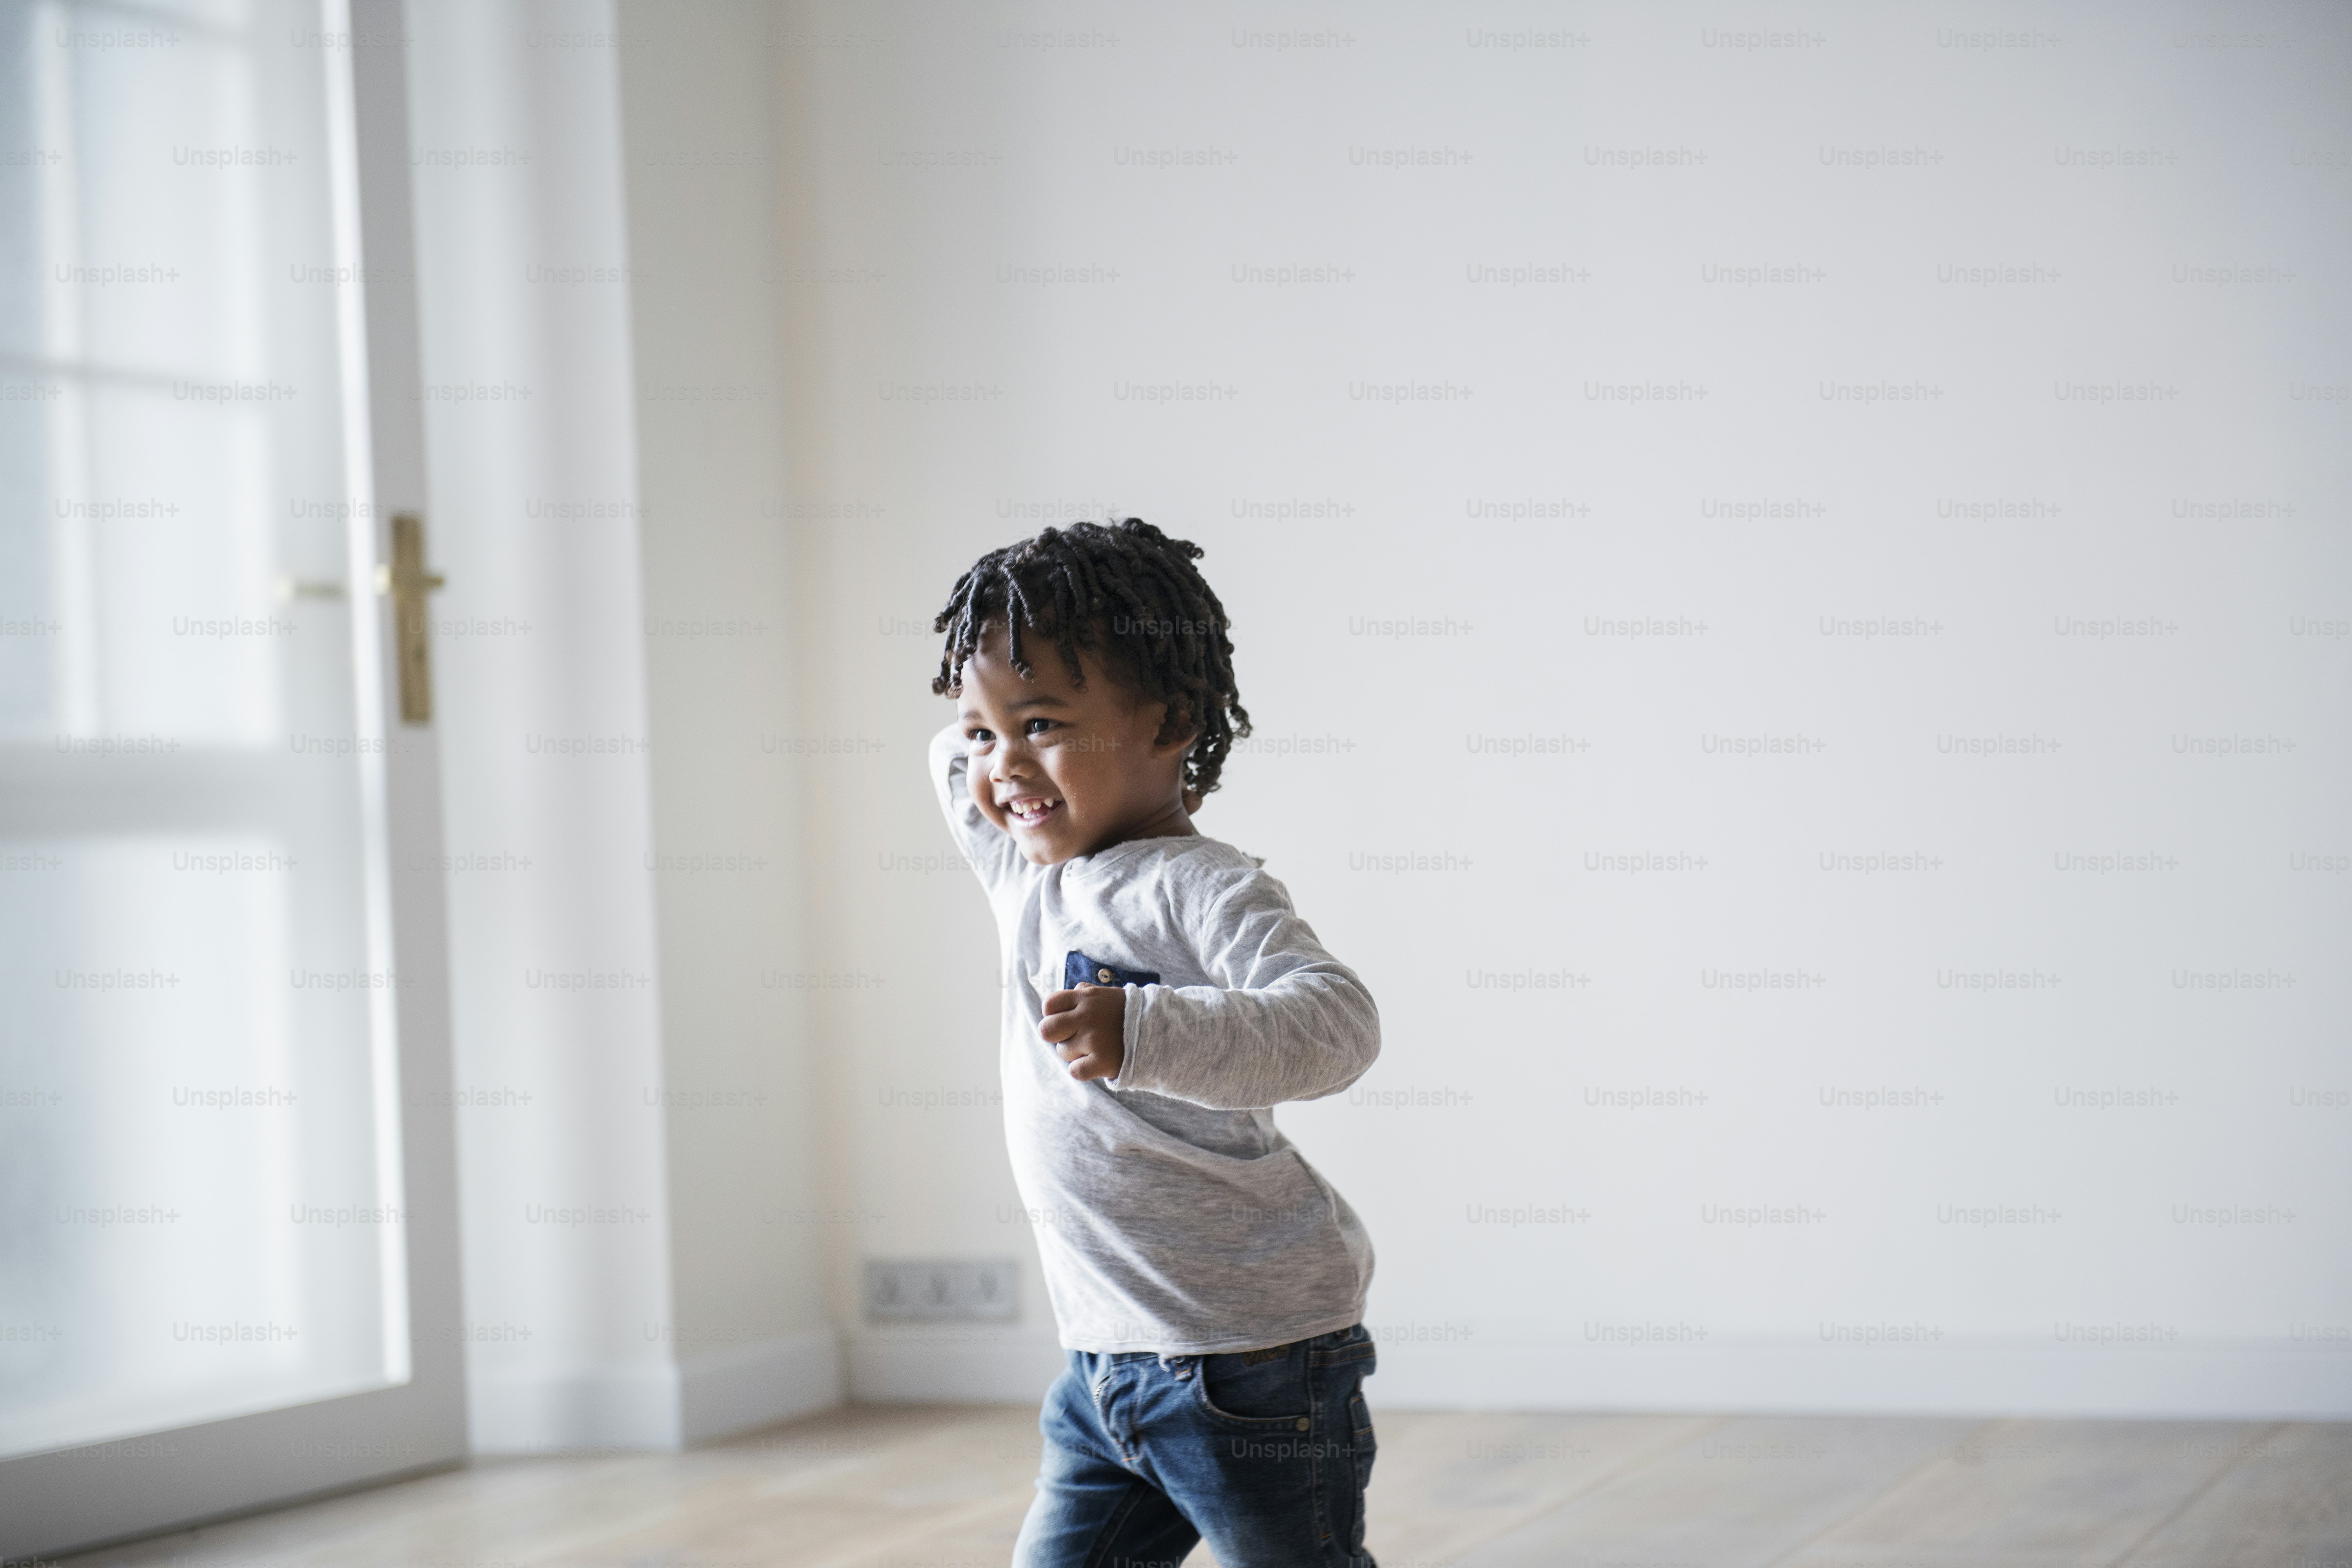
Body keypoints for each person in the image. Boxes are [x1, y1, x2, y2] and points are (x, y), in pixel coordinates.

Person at [925, 517, 1383, 1568]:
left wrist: (1145, 1030)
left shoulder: (1204, 886)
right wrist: (1001, 677)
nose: (1004, 766)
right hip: (1101, 1364)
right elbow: (951, 756)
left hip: (1251, 1360)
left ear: (1172, 720)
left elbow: (1337, 1025)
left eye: (1044, 721)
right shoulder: (1025, 873)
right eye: (989, 733)